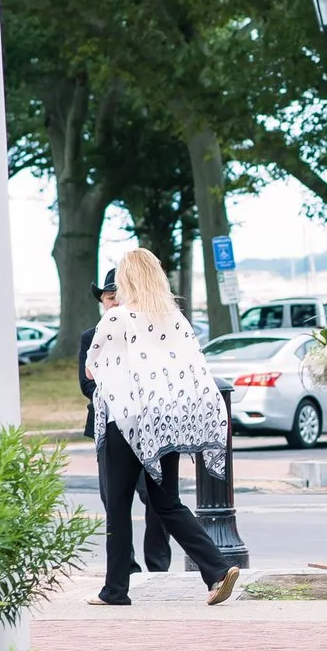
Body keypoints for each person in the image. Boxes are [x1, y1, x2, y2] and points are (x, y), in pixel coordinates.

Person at [84, 249, 239, 607]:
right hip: (164, 422)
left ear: (126, 280)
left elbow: (93, 367)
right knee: (167, 502)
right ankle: (217, 569)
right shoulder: (175, 319)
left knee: (118, 505)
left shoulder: (117, 318)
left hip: (126, 422)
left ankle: (115, 589)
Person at [78, 270, 171, 572]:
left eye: (119, 297)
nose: (115, 302)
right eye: (109, 298)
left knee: (157, 499)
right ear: (102, 302)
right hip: (109, 427)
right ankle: (126, 567)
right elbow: (87, 384)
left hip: (148, 428)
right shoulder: (90, 337)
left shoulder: (145, 332)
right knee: (114, 501)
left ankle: (158, 565)